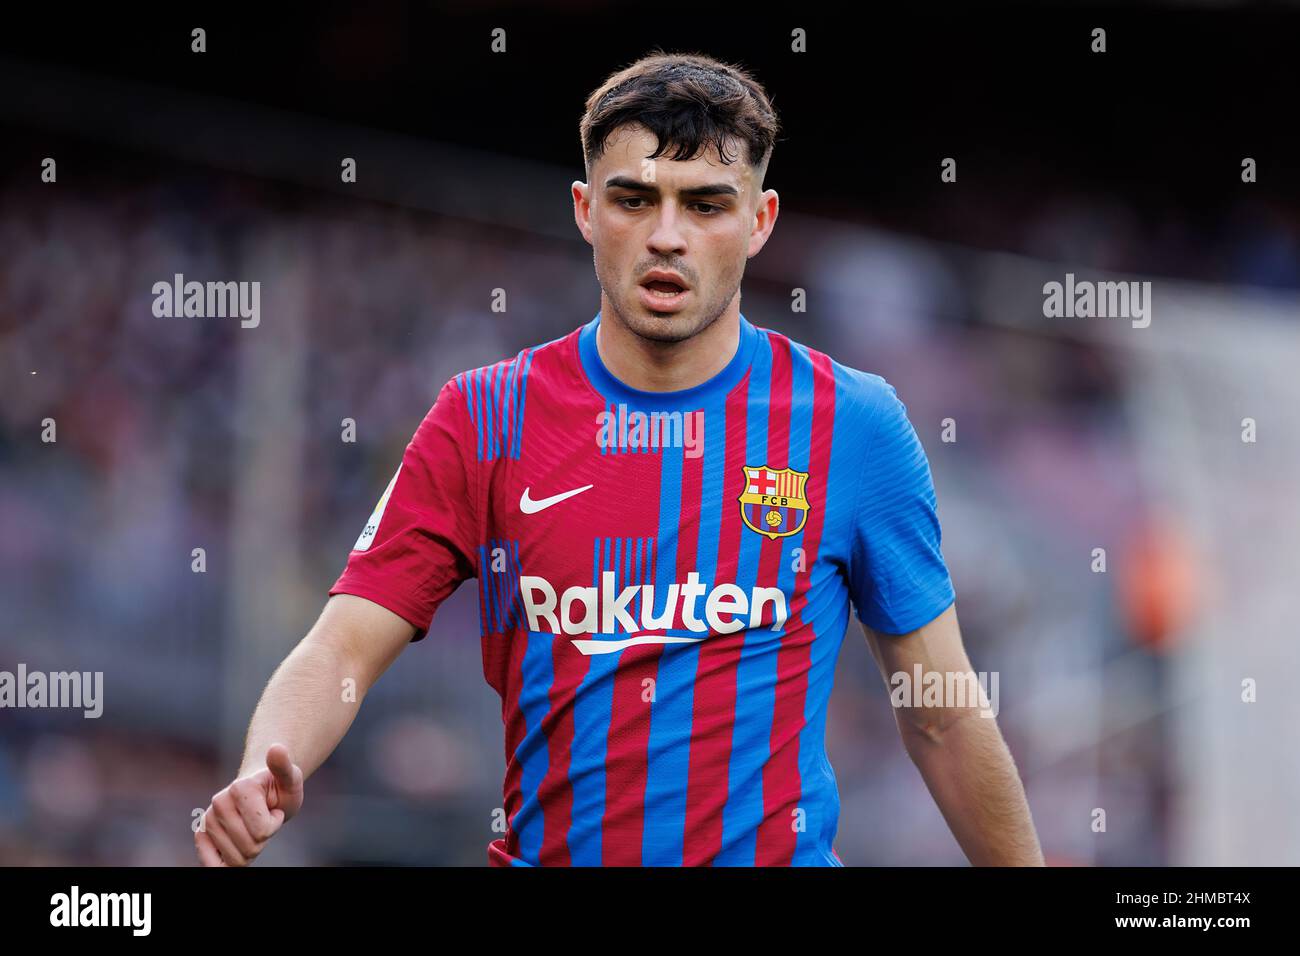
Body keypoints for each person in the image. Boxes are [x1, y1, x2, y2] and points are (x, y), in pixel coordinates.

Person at [196, 51, 1044, 867]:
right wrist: (265, 762)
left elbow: (940, 713)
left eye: (706, 205)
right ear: (584, 209)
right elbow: (343, 645)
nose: (666, 236)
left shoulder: (850, 423)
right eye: (634, 199)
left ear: (760, 221)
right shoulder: (484, 415)